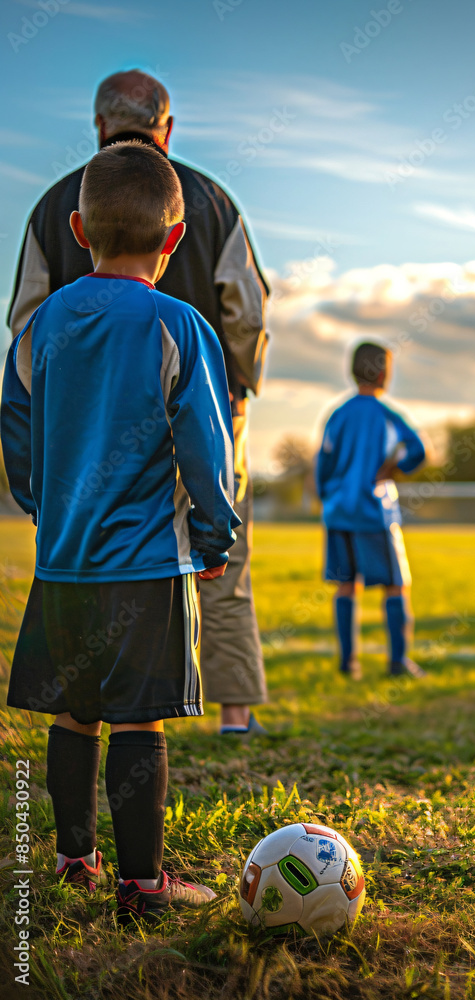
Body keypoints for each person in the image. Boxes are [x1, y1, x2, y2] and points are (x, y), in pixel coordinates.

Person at [1, 141, 240, 923]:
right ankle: (141, 881)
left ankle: (73, 858)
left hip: (64, 565)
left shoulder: (40, 328)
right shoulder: (181, 324)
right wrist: (215, 537)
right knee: (137, 720)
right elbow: (207, 447)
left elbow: (17, 424)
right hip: (147, 567)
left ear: (77, 229)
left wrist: (43, 505)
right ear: (174, 240)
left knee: (75, 711)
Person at [7, 69, 268, 738]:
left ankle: (85, 712)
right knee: (223, 561)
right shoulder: (210, 199)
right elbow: (246, 310)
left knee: (95, 556)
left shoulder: (52, 205)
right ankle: (233, 711)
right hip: (206, 405)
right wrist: (236, 388)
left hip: (87, 432)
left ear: (98, 126)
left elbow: (27, 322)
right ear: (167, 126)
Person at [316, 342, 426, 679]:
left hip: (338, 511)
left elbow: (324, 463)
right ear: (383, 374)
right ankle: (398, 661)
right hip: (373, 511)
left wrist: (328, 497)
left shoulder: (337, 414)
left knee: (346, 585)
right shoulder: (387, 414)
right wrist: (396, 468)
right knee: (395, 585)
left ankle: (348, 663)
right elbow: (420, 449)